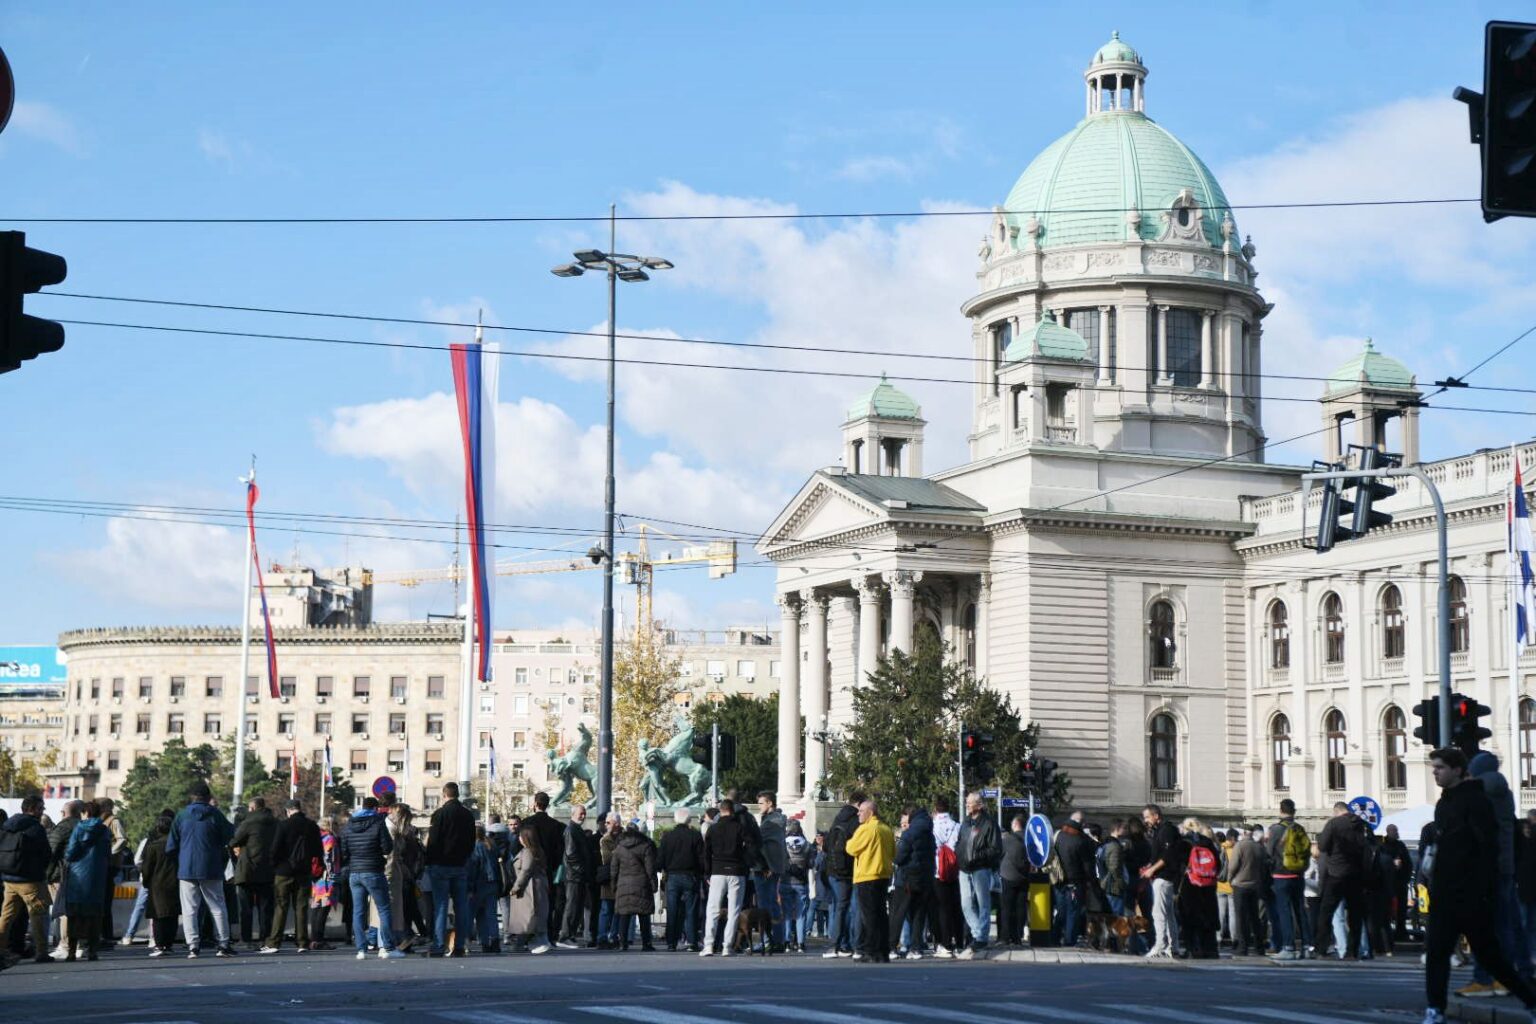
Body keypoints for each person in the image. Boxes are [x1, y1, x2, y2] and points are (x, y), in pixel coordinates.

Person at [1423, 747, 1536, 1024]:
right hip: (1445, 892)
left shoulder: (1476, 801)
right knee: (1437, 954)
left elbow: (1488, 849)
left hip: (1471, 894)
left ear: (1457, 770)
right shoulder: (1444, 802)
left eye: (1440, 767)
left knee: (1491, 957)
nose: (1435, 772)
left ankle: (1532, 1002)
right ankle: (1435, 1010)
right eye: (1434, 767)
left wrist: (1484, 892)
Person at [1461, 751, 1524, 997]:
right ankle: (1503, 978)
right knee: (1505, 925)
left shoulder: (1485, 789)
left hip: (1489, 868)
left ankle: (1487, 979)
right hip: (1503, 867)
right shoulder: (1501, 792)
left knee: (1486, 927)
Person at [166, 781, 237, 958]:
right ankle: (223, 943)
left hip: (187, 868)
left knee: (190, 908)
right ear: (208, 797)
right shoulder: (215, 814)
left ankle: (193, 946)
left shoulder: (181, 816)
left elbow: (171, 846)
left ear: (192, 797)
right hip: (212, 867)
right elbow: (230, 835)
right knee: (217, 906)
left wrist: (181, 860)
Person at [340, 796, 403, 960]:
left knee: (358, 911)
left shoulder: (348, 825)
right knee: (383, 908)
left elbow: (344, 851)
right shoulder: (378, 823)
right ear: (375, 809)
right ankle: (388, 947)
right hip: (373, 870)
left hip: (354, 873)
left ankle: (361, 949)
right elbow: (387, 847)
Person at [262, 798, 321, 953]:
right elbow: (318, 850)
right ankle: (302, 942)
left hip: (284, 871)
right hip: (304, 872)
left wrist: (275, 865)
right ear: (299, 809)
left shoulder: (283, 825)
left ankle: (274, 942)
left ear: (288, 811)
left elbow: (274, 849)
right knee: (301, 907)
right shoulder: (311, 826)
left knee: (281, 906)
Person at [0, 794, 53, 964]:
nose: (43, 810)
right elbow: (46, 854)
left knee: (6, 916)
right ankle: (42, 952)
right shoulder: (36, 828)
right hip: (31, 880)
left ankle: (1, 949)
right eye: (41, 808)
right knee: (38, 915)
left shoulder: (8, 825)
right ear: (33, 809)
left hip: (9, 878)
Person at [1312, 801, 1367, 961]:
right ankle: (1353, 951)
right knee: (1355, 915)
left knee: (1326, 912)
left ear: (1336, 811)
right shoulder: (1361, 824)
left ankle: (1321, 949)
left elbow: (1322, 846)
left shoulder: (1334, 824)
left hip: (1336, 873)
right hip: (1356, 875)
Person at [846, 798, 894, 964]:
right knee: (881, 914)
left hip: (867, 876)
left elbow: (851, 848)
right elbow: (893, 852)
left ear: (870, 812)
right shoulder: (886, 829)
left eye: (861, 811)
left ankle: (871, 950)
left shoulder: (866, 829)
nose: (858, 814)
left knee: (869, 916)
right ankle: (883, 950)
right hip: (883, 875)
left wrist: (851, 840)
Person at [62, 799, 111, 961]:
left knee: (75, 915)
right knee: (94, 916)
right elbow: (107, 853)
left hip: (78, 877)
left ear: (85, 813)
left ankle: (71, 951)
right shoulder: (104, 830)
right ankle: (92, 951)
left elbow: (70, 852)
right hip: (97, 877)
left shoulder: (78, 829)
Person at [955, 791, 1001, 959]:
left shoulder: (989, 823)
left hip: (981, 868)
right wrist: (959, 855)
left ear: (979, 805)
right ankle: (978, 933)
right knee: (966, 903)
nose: (966, 804)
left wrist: (978, 857)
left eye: (970, 802)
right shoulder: (965, 822)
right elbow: (960, 842)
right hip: (964, 868)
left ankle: (981, 937)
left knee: (983, 903)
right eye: (966, 802)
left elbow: (996, 849)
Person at [700, 798, 748, 957]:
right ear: (732, 810)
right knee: (734, 910)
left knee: (712, 909)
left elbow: (706, 852)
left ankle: (708, 945)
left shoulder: (713, 829)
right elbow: (750, 847)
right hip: (736, 871)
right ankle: (727, 946)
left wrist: (707, 872)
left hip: (717, 870)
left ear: (720, 811)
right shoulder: (740, 828)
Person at [230, 796, 278, 950]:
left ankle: (246, 938)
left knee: (246, 907)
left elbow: (234, 841)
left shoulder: (248, 823)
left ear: (252, 808)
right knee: (266, 908)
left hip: (248, 870)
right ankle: (265, 938)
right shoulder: (276, 823)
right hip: (269, 870)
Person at [1265, 798, 1309, 960]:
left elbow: (1269, 853)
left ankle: (1288, 946)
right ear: (1294, 811)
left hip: (1281, 874)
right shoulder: (1300, 828)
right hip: (1298, 874)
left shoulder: (1275, 829)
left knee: (1284, 911)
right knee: (1300, 911)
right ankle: (1306, 946)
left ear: (1280, 811)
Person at [890, 802, 934, 960]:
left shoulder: (909, 833)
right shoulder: (929, 831)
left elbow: (900, 857)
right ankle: (916, 948)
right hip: (925, 877)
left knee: (898, 913)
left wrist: (894, 858)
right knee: (918, 914)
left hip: (907, 877)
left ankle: (891, 946)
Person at [1139, 803, 1183, 959]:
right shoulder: (1160, 831)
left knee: (1158, 913)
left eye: (1147, 817)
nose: (1145, 820)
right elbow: (1159, 856)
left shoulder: (1166, 830)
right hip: (1164, 876)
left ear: (1156, 816)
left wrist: (1152, 869)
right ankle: (1172, 946)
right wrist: (1149, 866)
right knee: (1168, 913)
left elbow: (1167, 855)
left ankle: (1160, 946)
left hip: (1164, 877)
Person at [823, 791, 862, 958]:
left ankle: (837, 944)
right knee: (854, 908)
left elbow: (826, 846)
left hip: (833, 870)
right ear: (859, 804)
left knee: (840, 908)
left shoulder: (838, 818)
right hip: (851, 870)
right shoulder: (857, 822)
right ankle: (853, 944)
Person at [659, 808, 705, 952]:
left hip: (672, 876)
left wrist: (662, 868)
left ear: (675, 819)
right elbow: (701, 858)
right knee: (691, 910)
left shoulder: (668, 837)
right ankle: (692, 941)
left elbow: (660, 858)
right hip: (690, 875)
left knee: (672, 910)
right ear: (689, 820)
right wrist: (702, 872)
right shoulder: (695, 835)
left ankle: (671, 942)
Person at [522, 792, 565, 941]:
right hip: (548, 868)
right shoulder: (556, 826)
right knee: (548, 903)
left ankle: (529, 934)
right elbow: (560, 850)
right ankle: (547, 933)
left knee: (529, 902)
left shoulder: (527, 822)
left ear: (535, 803)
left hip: (530, 866)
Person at [1176, 818, 1220, 959]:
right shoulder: (1208, 842)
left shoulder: (1183, 843)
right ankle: (1210, 949)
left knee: (1189, 917)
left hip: (1190, 885)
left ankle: (1192, 948)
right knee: (1208, 916)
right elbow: (1217, 864)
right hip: (1208, 885)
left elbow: (1178, 865)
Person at [137, 812, 179, 957]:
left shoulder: (153, 846)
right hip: (175, 882)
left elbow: (147, 867)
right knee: (172, 915)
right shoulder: (178, 844)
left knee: (158, 916)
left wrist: (146, 882)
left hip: (157, 884)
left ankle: (160, 944)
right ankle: (169, 944)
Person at [611, 822, 657, 951]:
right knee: (644, 915)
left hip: (623, 884)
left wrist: (614, 885)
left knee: (624, 915)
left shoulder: (619, 848)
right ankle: (646, 943)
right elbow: (650, 868)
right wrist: (653, 883)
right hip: (641, 883)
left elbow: (614, 869)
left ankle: (623, 943)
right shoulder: (645, 845)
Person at [45, 800, 82, 958]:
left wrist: (46, 875)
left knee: (63, 912)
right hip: (82, 874)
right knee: (78, 911)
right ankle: (79, 944)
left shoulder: (63, 827)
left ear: (63, 813)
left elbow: (51, 852)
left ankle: (65, 945)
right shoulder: (85, 827)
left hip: (61, 874)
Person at [1055, 813, 1097, 948]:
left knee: (1061, 911)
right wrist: (1091, 881)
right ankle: (1069, 940)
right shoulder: (1082, 840)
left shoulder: (1058, 836)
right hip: (1076, 881)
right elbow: (1088, 865)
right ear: (1082, 824)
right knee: (1073, 912)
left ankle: (1054, 937)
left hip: (1058, 880)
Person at [508, 824, 552, 954]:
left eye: (521, 836)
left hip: (528, 888)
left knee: (528, 916)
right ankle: (531, 941)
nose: (519, 838)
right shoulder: (536, 850)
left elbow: (526, 870)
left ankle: (532, 941)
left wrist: (516, 887)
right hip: (534, 886)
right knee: (533, 915)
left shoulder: (527, 852)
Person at [928, 794, 963, 958]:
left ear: (935, 809)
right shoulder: (957, 826)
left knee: (942, 908)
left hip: (938, 871)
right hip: (954, 871)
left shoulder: (932, 826)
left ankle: (945, 943)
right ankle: (960, 943)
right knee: (956, 907)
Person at [557, 804, 594, 948]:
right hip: (574, 875)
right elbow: (571, 853)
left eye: (584, 813)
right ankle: (565, 936)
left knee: (576, 906)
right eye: (581, 813)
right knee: (572, 905)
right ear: (573, 814)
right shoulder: (571, 830)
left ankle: (569, 935)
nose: (583, 816)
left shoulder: (575, 829)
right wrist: (581, 870)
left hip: (576, 874)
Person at [754, 791, 788, 951]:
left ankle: (768, 941)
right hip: (773, 867)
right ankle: (777, 940)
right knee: (772, 903)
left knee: (765, 905)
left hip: (766, 868)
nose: (759, 806)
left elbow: (760, 843)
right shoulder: (776, 821)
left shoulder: (770, 823)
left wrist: (766, 865)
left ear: (770, 803)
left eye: (761, 803)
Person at [1226, 824, 1266, 956]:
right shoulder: (1259, 847)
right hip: (1255, 885)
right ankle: (1259, 946)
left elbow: (1233, 866)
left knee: (1241, 917)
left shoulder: (1240, 846)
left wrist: (1230, 879)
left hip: (1240, 885)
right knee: (1255, 917)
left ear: (1243, 833)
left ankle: (1243, 947)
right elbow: (1263, 866)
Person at [96, 797, 128, 945]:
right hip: (103, 864)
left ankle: (106, 935)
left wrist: (109, 852)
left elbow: (122, 839)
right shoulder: (101, 821)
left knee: (105, 901)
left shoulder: (113, 821)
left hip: (110, 865)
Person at [466, 824, 502, 954]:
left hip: (478, 884)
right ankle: (494, 941)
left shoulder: (474, 847)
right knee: (490, 915)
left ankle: (473, 941)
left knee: (472, 915)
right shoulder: (491, 845)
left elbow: (472, 868)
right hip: (492, 883)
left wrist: (469, 887)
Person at [998, 815, 1029, 947]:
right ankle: (1018, 936)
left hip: (1008, 876)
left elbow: (999, 854)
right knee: (1021, 907)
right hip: (1024, 877)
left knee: (1006, 908)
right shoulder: (1029, 839)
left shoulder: (1008, 839)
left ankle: (1005, 937)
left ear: (1016, 824)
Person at [308, 819, 339, 950]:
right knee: (324, 908)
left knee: (316, 907)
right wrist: (333, 876)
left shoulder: (314, 838)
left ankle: (313, 939)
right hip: (326, 877)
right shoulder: (329, 838)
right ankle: (319, 939)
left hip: (315, 877)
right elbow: (329, 858)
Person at [782, 818, 811, 953]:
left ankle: (787, 942)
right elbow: (812, 864)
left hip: (786, 881)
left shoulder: (783, 843)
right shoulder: (806, 844)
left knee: (787, 913)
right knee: (801, 915)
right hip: (801, 882)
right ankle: (801, 943)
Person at [1381, 823, 1412, 942]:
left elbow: (1408, 863)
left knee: (1401, 910)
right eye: (1395, 831)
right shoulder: (1383, 846)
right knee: (1388, 909)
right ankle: (1388, 934)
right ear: (1389, 832)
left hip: (1400, 883)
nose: (1397, 833)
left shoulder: (1401, 846)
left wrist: (1406, 878)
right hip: (1388, 883)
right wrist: (1392, 865)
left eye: (1397, 831)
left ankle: (1401, 932)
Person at [596, 812, 623, 948]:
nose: (605, 825)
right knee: (606, 909)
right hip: (609, 879)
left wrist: (616, 853)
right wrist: (620, 853)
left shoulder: (624, 837)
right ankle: (602, 937)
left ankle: (613, 936)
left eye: (608, 822)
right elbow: (607, 858)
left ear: (616, 824)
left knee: (618, 910)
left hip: (622, 878)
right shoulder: (605, 839)